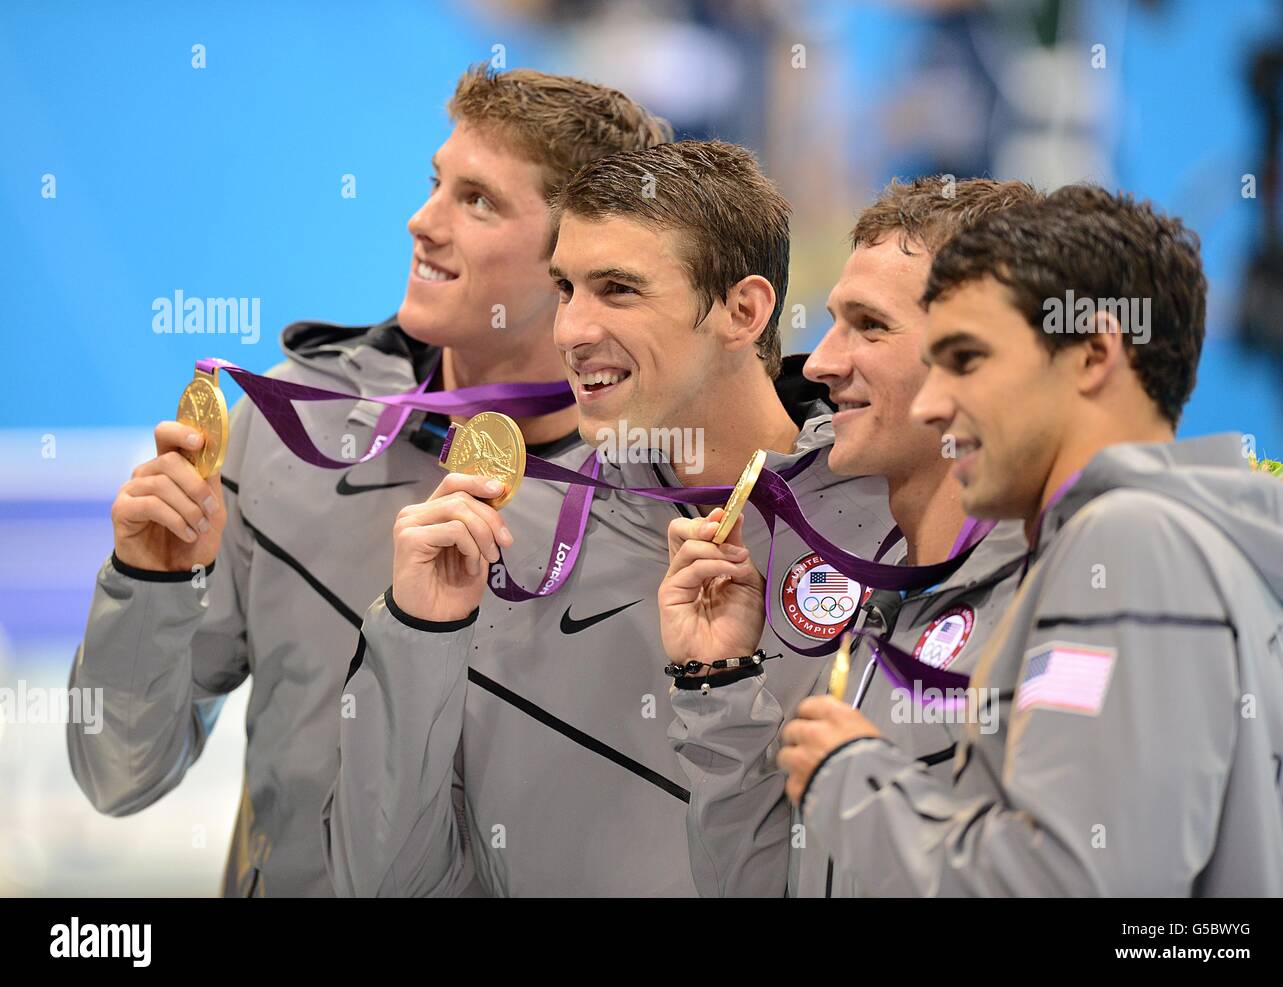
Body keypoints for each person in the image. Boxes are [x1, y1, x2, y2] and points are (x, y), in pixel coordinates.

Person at [67, 65, 671, 897]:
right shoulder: (296, 429)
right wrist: (151, 583)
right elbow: (116, 770)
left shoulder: (657, 522)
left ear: (578, 261)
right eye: (436, 183)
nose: (422, 222)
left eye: (479, 200)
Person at [322, 139, 896, 896]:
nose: (571, 330)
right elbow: (380, 883)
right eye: (565, 288)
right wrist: (416, 634)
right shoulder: (496, 533)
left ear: (744, 310)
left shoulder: (894, 543)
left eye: (618, 289)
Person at [783, 185, 1283, 895]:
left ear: (1092, 354)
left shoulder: (1127, 541)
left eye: (967, 359)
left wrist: (850, 778)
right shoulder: (1205, 541)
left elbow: (1070, 883)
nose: (934, 403)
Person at [657, 176, 1041, 896]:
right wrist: (723, 686)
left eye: (870, 325)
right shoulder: (887, 605)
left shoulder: (1052, 615)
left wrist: (864, 788)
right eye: (834, 321)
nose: (823, 363)